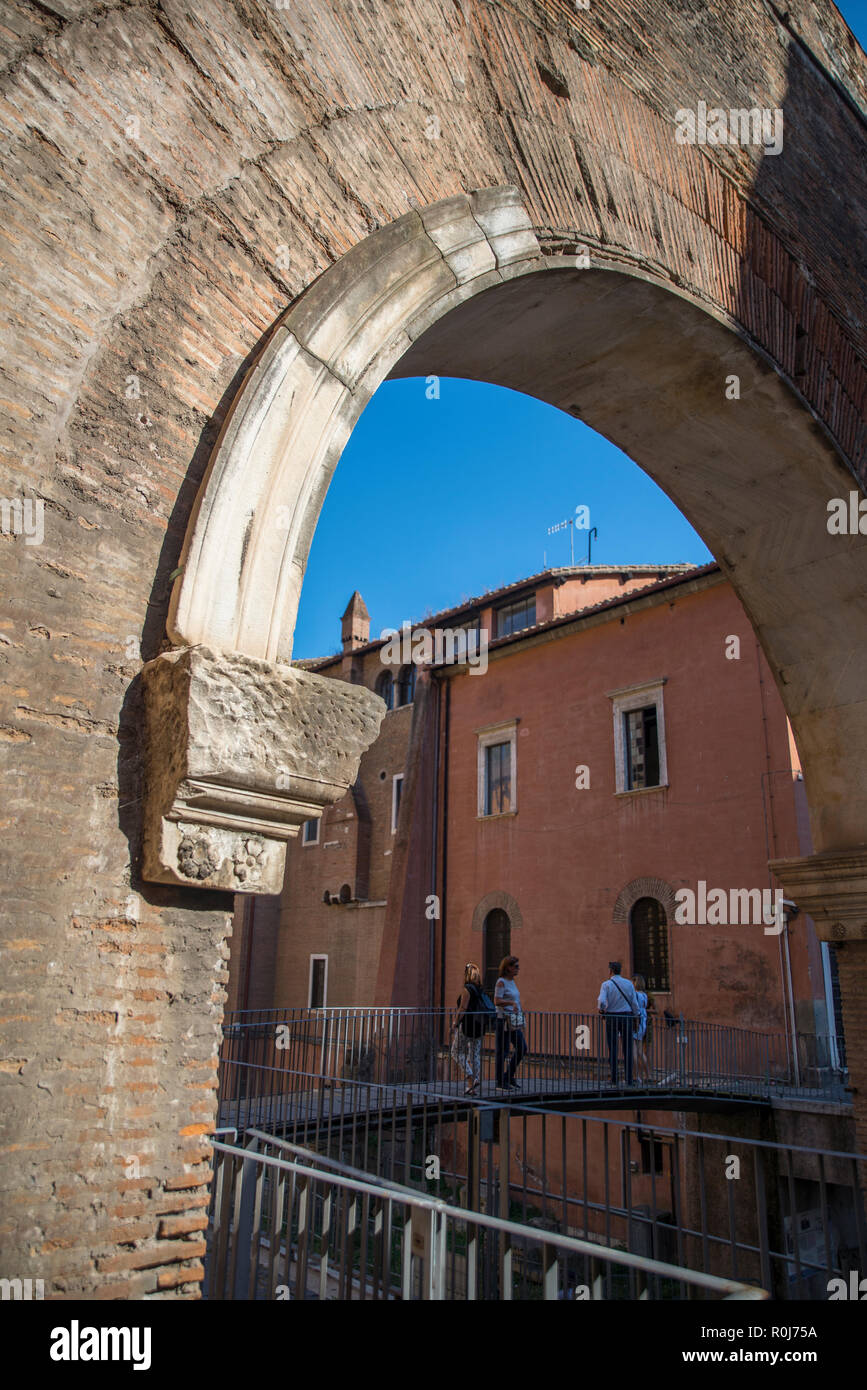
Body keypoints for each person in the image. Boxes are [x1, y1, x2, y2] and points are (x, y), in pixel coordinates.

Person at [597, 961, 640, 1086]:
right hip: (627, 1016)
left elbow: (602, 1002)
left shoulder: (606, 984)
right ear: (620, 970)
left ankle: (614, 1078)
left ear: (610, 971)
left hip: (612, 1017)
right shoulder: (629, 984)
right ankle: (629, 1079)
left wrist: (602, 1010)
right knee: (628, 1048)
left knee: (613, 1047)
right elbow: (634, 1003)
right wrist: (636, 1016)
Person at [450, 963, 484, 1095]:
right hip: (480, 1026)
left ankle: (470, 1077)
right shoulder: (480, 990)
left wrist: (455, 1023)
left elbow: (463, 1008)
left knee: (455, 1051)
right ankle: (473, 1082)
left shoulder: (467, 990)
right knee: (474, 1054)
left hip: (467, 1026)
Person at [494, 955, 527, 1090]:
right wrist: (511, 1002)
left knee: (522, 1048)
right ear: (508, 968)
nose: (518, 969)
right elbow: (496, 1000)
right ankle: (500, 1082)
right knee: (503, 1051)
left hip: (513, 1021)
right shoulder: (501, 982)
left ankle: (508, 1076)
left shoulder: (512, 981)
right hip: (503, 1020)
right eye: (516, 967)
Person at [632, 973, 652, 1082]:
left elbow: (634, 1007)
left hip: (635, 1022)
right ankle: (648, 1075)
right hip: (642, 1022)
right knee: (640, 1051)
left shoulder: (635, 995)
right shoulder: (644, 995)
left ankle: (636, 1076)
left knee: (634, 1051)